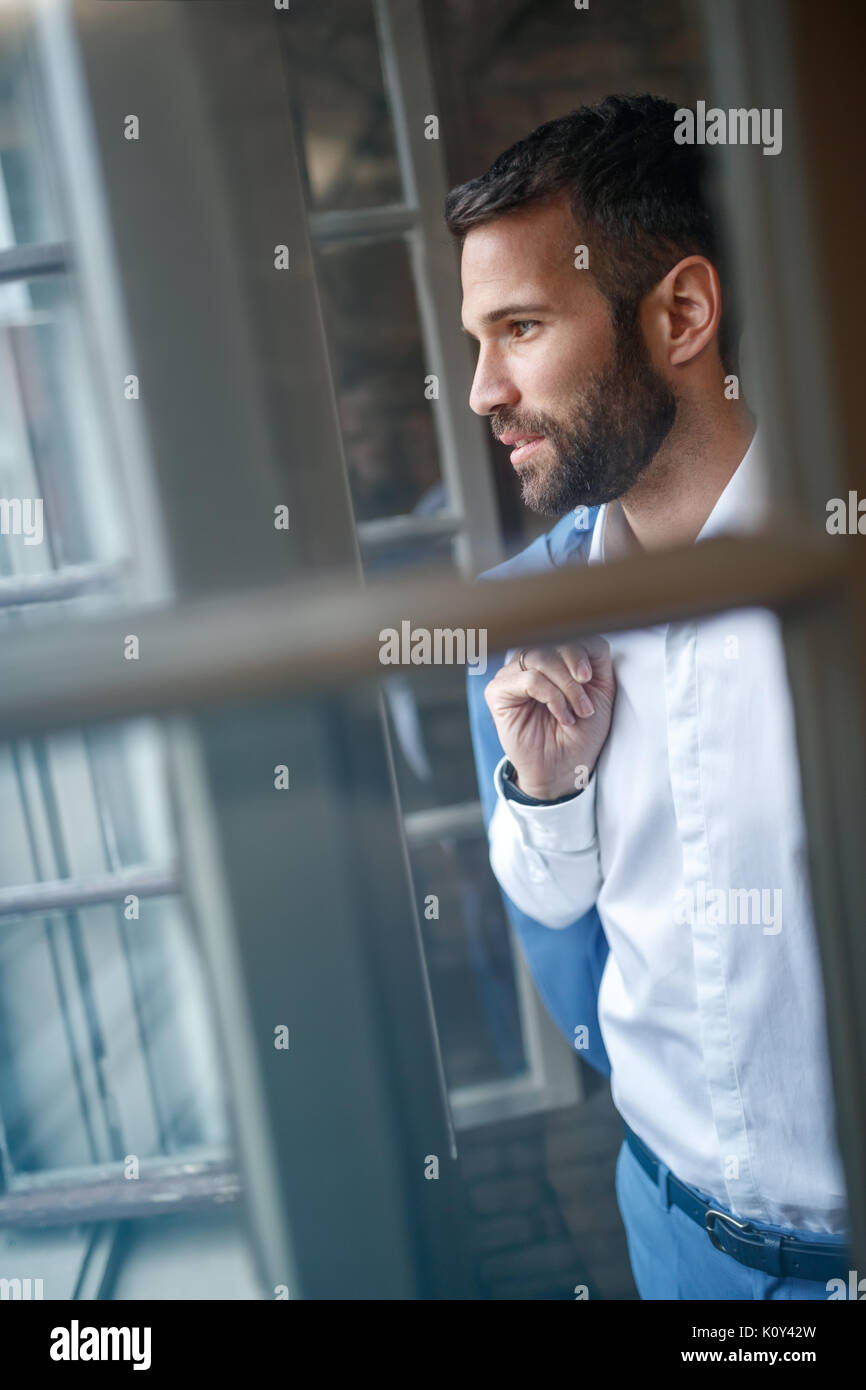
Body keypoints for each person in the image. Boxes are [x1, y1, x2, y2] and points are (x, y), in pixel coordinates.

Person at [447, 94, 851, 1299]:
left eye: (518, 327)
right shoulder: (522, 615)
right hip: (675, 1243)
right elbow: (554, 927)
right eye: (479, 338)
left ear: (679, 312)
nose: (481, 389)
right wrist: (549, 791)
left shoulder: (840, 569)